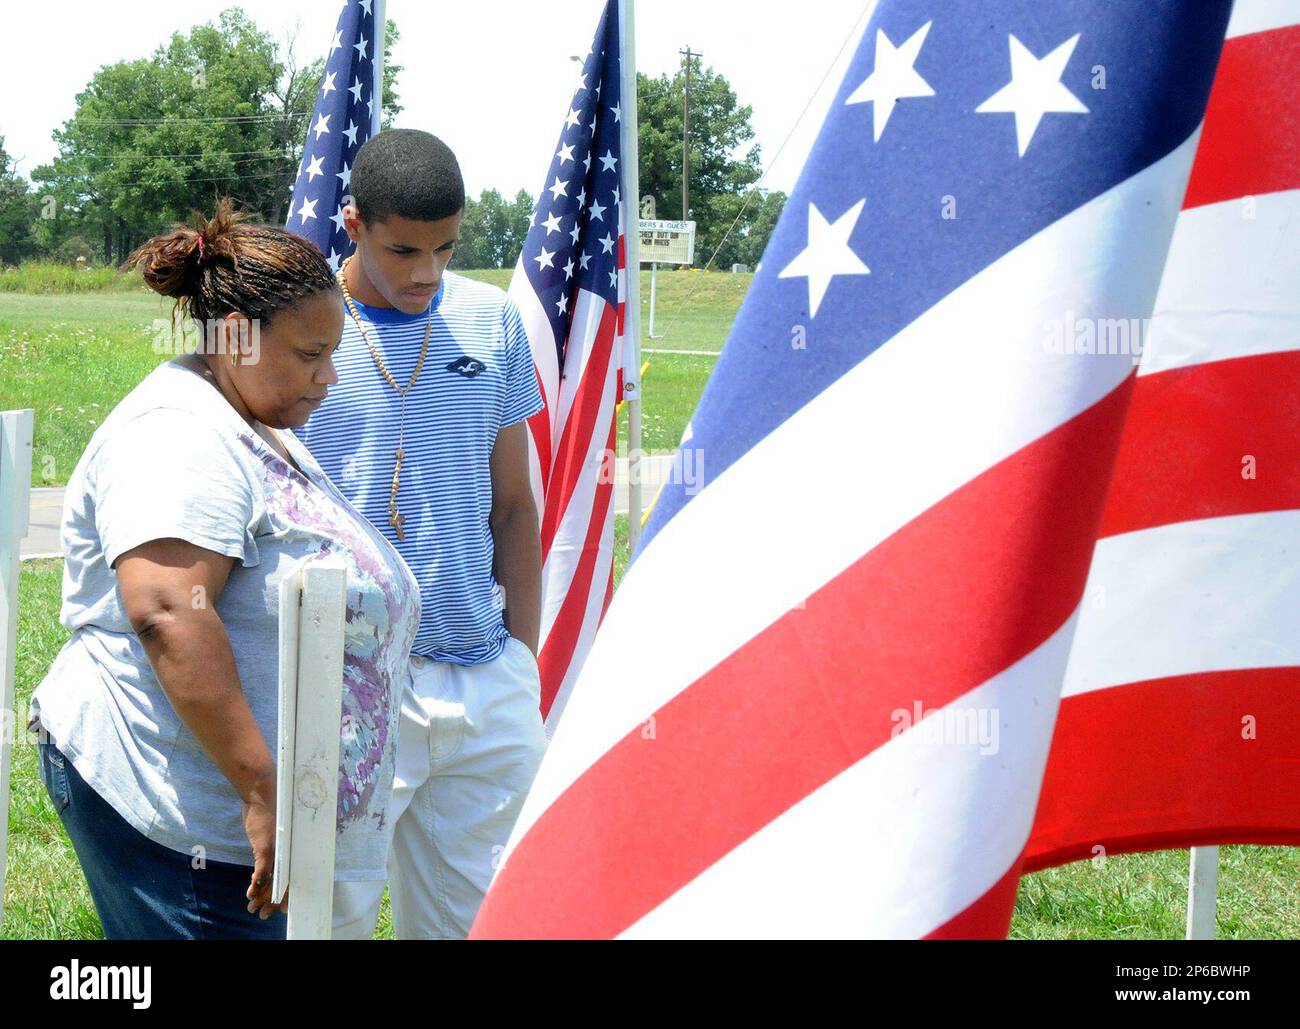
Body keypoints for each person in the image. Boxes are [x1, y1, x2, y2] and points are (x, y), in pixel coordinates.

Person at [28, 199, 421, 940]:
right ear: (236, 337)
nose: (329, 376)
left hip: (229, 818)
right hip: (181, 822)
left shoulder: (245, 413)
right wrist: (262, 787)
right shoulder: (178, 434)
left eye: (333, 352)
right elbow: (168, 609)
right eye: (310, 355)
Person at [294, 129, 547, 939]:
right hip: (346, 679)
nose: (426, 273)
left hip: (484, 678)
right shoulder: (294, 336)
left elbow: (513, 505)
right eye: (404, 250)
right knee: (325, 918)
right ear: (354, 221)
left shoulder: (492, 320)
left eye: (445, 248)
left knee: (487, 924)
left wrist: (523, 661)